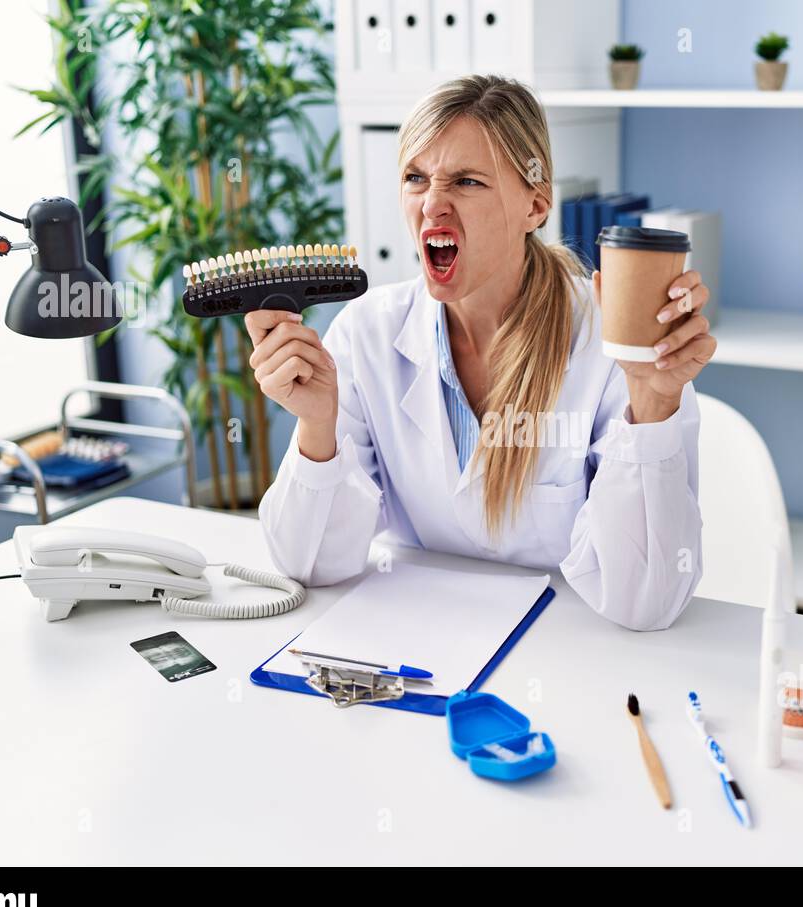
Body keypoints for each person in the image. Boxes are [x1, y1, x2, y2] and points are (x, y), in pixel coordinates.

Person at [249, 75, 717, 630]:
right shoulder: (365, 334)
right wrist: (317, 427)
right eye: (415, 178)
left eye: (467, 181)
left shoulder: (610, 346)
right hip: (421, 643)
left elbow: (647, 603)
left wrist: (652, 403)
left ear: (536, 204)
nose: (432, 205)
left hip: (569, 654)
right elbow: (310, 565)